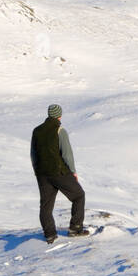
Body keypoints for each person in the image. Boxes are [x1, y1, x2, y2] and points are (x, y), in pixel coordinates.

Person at [30, 104, 89, 243]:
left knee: (46, 205)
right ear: (59, 115)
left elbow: (33, 154)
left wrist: (37, 172)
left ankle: (50, 234)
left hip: (42, 175)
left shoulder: (36, 131)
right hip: (59, 173)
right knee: (79, 196)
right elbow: (67, 154)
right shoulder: (59, 130)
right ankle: (75, 228)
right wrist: (73, 172)